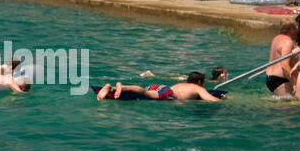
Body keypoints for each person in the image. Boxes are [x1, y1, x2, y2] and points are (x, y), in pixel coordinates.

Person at [95, 71, 223, 101]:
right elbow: (210, 99)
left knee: (145, 92)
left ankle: (120, 88)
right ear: (200, 82)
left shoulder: (182, 84)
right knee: (145, 94)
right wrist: (222, 101)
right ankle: (117, 87)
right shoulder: (198, 88)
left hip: (162, 87)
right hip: (169, 94)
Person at [265, 22, 299, 97]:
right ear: (291, 29)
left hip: (270, 77)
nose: (297, 32)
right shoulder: (288, 42)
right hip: (281, 79)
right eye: (296, 29)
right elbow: (284, 65)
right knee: (289, 106)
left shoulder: (276, 38)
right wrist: (295, 83)